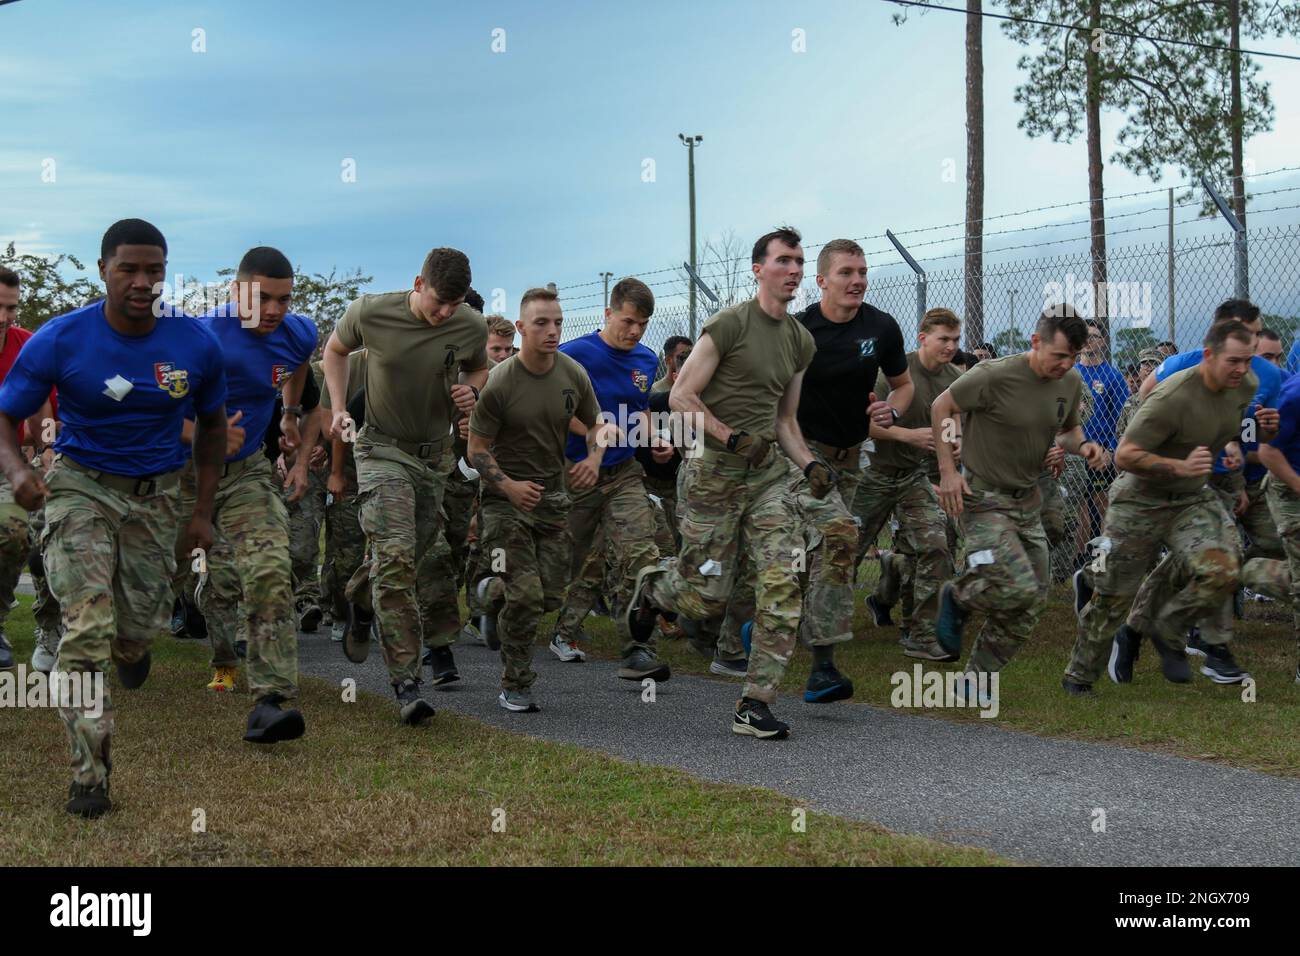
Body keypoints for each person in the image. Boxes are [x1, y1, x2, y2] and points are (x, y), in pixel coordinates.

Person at [0, 219, 229, 817]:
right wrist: (20, 473)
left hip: (157, 498)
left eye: (154, 269)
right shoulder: (60, 339)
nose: (141, 281)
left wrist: (201, 511)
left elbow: (211, 429)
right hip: (80, 488)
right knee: (88, 626)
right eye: (128, 268)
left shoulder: (195, 344)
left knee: (133, 634)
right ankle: (90, 776)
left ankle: (135, 646)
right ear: (103, 268)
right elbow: (5, 416)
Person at [628, 226, 821, 740]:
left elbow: (785, 421)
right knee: (706, 597)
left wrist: (808, 464)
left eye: (800, 262)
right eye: (784, 261)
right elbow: (681, 396)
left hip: (768, 479)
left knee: (783, 581)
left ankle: (754, 704)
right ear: (759, 270)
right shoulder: (730, 324)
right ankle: (653, 589)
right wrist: (730, 437)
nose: (794, 270)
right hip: (712, 473)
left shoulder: (801, 341)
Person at [322, 247, 488, 725]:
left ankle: (359, 597)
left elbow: (477, 366)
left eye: (453, 306)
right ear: (418, 284)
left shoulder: (469, 324)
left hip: (433, 457)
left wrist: (472, 390)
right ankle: (406, 682)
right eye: (437, 303)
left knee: (408, 557)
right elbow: (334, 350)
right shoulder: (371, 313)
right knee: (395, 558)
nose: (443, 315)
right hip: (380, 450)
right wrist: (338, 407)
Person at [1071, 319, 1271, 690]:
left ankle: (1169, 628)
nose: (1243, 369)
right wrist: (1179, 465)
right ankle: (1079, 674)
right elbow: (1126, 456)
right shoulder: (1171, 395)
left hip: (1192, 496)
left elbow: (1223, 428)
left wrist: (1228, 448)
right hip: (1140, 498)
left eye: (1248, 360)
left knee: (1223, 565)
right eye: (1234, 361)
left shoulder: (1245, 385)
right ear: (1208, 356)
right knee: (1114, 594)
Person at [177, 247, 315, 739]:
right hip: (180, 474)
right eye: (263, 299)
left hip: (246, 472)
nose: (274, 310)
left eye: (283, 299)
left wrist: (291, 413)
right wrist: (205, 435)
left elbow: (298, 366)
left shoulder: (299, 332)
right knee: (147, 586)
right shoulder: (200, 339)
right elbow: (154, 416)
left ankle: (270, 700)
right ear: (235, 292)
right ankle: (166, 611)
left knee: (270, 566)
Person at [930, 305, 1103, 691]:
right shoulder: (994, 375)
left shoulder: (1070, 382)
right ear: (1036, 342)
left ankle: (976, 679)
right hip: (983, 496)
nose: (1065, 364)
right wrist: (947, 472)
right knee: (1015, 583)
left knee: (1033, 599)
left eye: (1073, 357)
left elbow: (1068, 431)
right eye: (1058, 355)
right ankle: (958, 596)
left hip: (1028, 500)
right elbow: (943, 406)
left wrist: (1085, 446)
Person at [468, 287, 607, 712]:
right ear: (521, 328)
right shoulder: (500, 382)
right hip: (505, 498)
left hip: (553, 495)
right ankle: (516, 681)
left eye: (558, 322)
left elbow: (597, 423)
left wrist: (596, 457)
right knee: (526, 594)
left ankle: (490, 594)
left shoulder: (572, 373)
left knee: (548, 595)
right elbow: (476, 449)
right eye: (542, 323)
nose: (552, 331)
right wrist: (508, 485)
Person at [549, 278, 674, 679]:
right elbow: (552, 408)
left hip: (624, 475)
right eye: (628, 321)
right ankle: (503, 603)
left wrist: (654, 437)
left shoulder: (645, 359)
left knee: (640, 556)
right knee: (557, 566)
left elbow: (640, 410)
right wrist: (591, 429)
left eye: (643, 323)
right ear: (608, 314)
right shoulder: (574, 356)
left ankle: (639, 648)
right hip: (576, 477)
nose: (635, 330)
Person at [856, 306, 960, 662]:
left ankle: (921, 633)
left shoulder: (954, 378)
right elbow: (859, 424)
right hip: (873, 472)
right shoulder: (895, 372)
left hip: (913, 477)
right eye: (943, 339)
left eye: (955, 339)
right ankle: (812, 624)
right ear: (922, 338)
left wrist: (954, 440)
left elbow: (950, 424)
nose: (950, 346)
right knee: (843, 551)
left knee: (936, 546)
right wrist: (907, 436)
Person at [0, 266, 44, 670]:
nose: (2, 317)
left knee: (15, 535)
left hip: (8, 464)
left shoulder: (28, 346)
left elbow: (42, 415)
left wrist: (44, 450)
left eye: (10, 307)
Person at [1069, 320, 1130, 568]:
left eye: (1095, 336)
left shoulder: (1112, 376)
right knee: (1078, 506)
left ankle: (1101, 558)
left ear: (1103, 342)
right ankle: (1076, 559)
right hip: (1074, 450)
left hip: (1102, 451)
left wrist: (1111, 451)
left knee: (1101, 504)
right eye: (1086, 336)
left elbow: (1120, 419)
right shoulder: (1071, 373)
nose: (1089, 341)